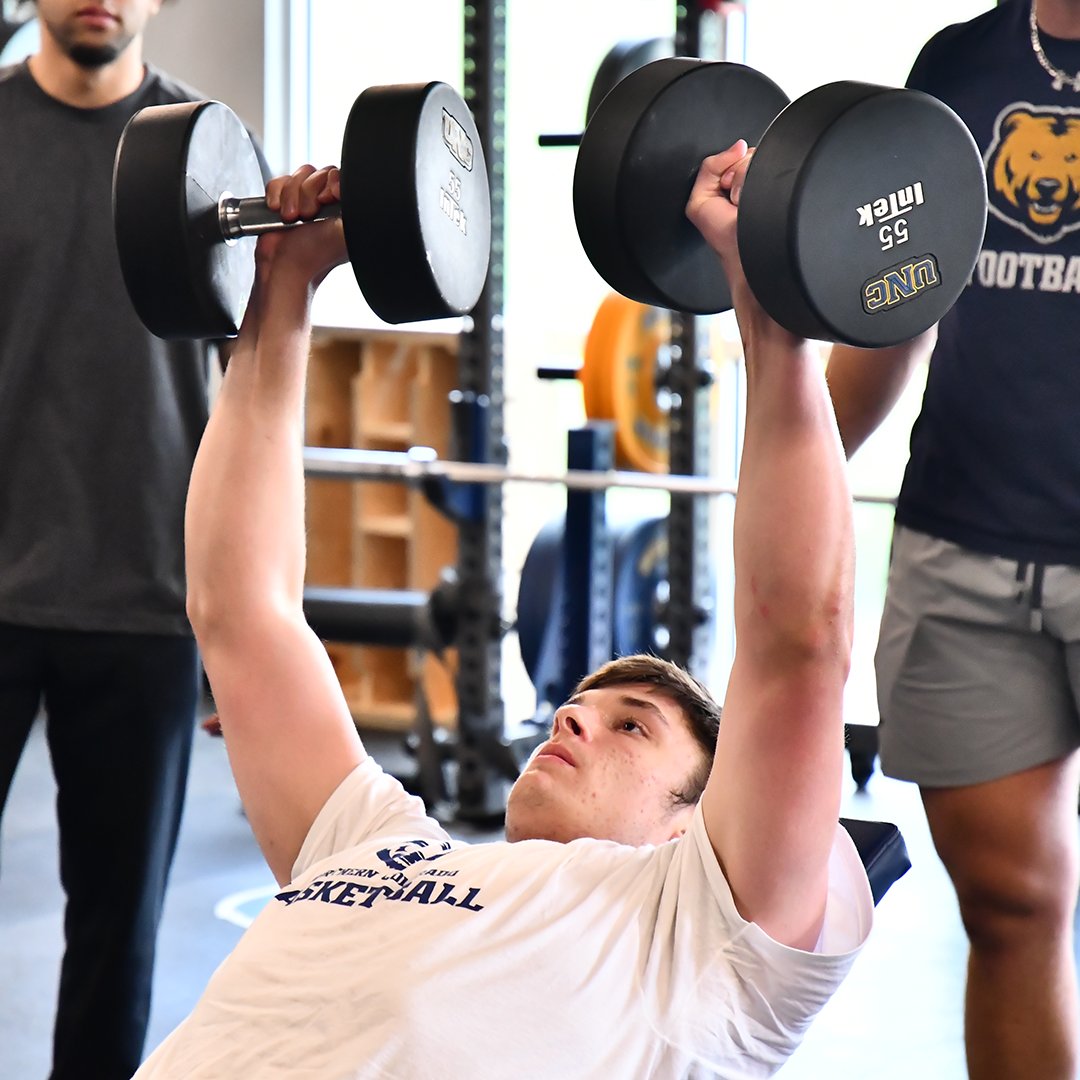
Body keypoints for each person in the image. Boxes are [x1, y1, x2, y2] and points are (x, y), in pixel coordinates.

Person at [129, 143, 872, 1079]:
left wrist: (771, 314)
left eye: (632, 728)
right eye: (587, 705)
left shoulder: (696, 938)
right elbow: (241, 611)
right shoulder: (376, 846)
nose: (572, 715)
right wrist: (284, 284)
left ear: (694, 823)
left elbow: (798, 638)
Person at [0, 3, 257, 1078]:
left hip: (148, 601)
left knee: (118, 937)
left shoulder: (208, 151)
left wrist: (243, 616)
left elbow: (258, 391)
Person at [825, 2, 1080, 1077]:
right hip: (963, 544)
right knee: (1009, 909)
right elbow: (898, 300)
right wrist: (790, 461)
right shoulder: (956, 65)